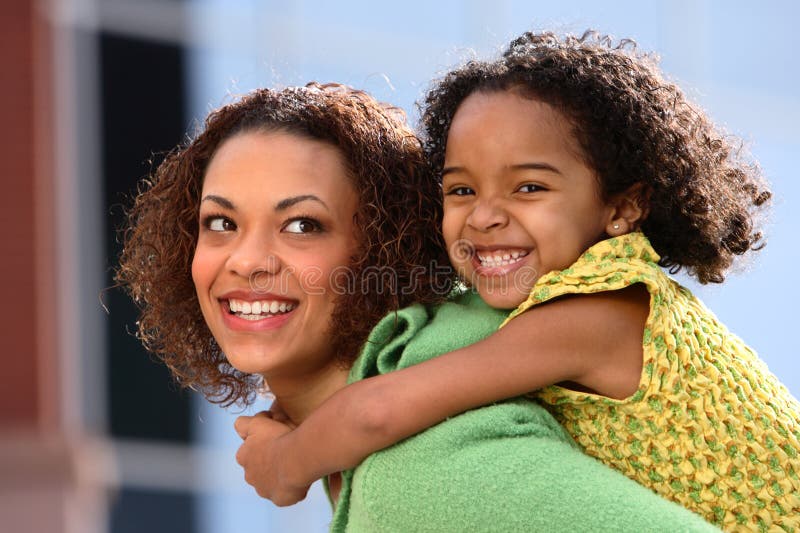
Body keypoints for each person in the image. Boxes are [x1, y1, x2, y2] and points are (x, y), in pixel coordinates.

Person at [234, 33, 800, 531]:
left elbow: (379, 411)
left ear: (622, 207)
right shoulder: (562, 305)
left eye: (529, 188)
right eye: (461, 190)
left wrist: (285, 464)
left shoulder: (598, 309)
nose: (484, 216)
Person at [116, 81, 717, 531]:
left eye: (302, 225)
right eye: (220, 223)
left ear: (387, 246)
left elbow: (377, 418)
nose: (246, 260)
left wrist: (289, 461)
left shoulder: (418, 473)